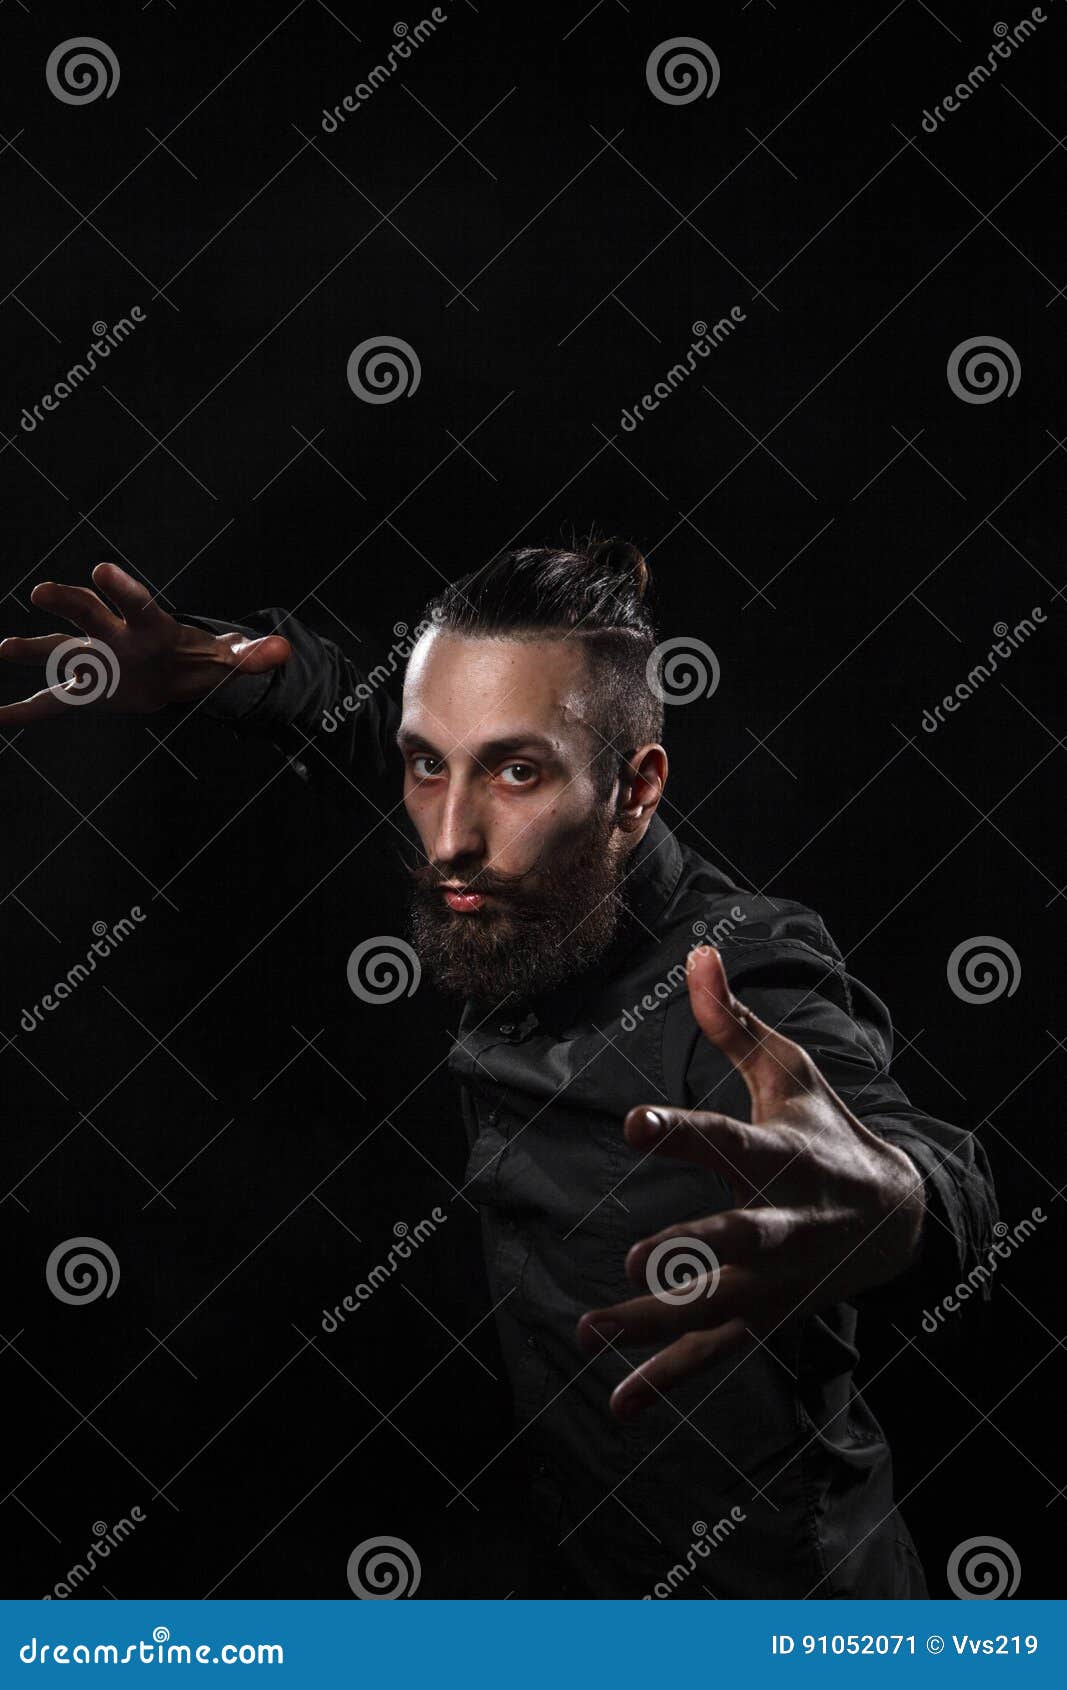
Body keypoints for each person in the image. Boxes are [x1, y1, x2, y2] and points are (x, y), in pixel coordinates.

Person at [0, 538, 998, 1598]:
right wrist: (216, 670)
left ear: (634, 788)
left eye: (516, 769)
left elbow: (930, 1170)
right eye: (429, 763)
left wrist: (898, 1201)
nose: (447, 839)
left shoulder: (729, 974)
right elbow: (358, 708)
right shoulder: (496, 860)